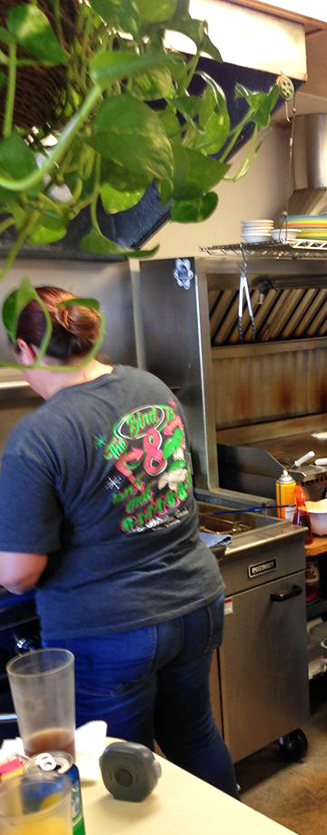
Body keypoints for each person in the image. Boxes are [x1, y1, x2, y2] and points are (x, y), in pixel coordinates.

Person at [0, 286, 239, 797]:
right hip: (194, 603)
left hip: (111, 630)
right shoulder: (149, 387)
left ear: (23, 350)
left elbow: (18, 573)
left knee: (120, 771)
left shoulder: (38, 436)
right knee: (194, 736)